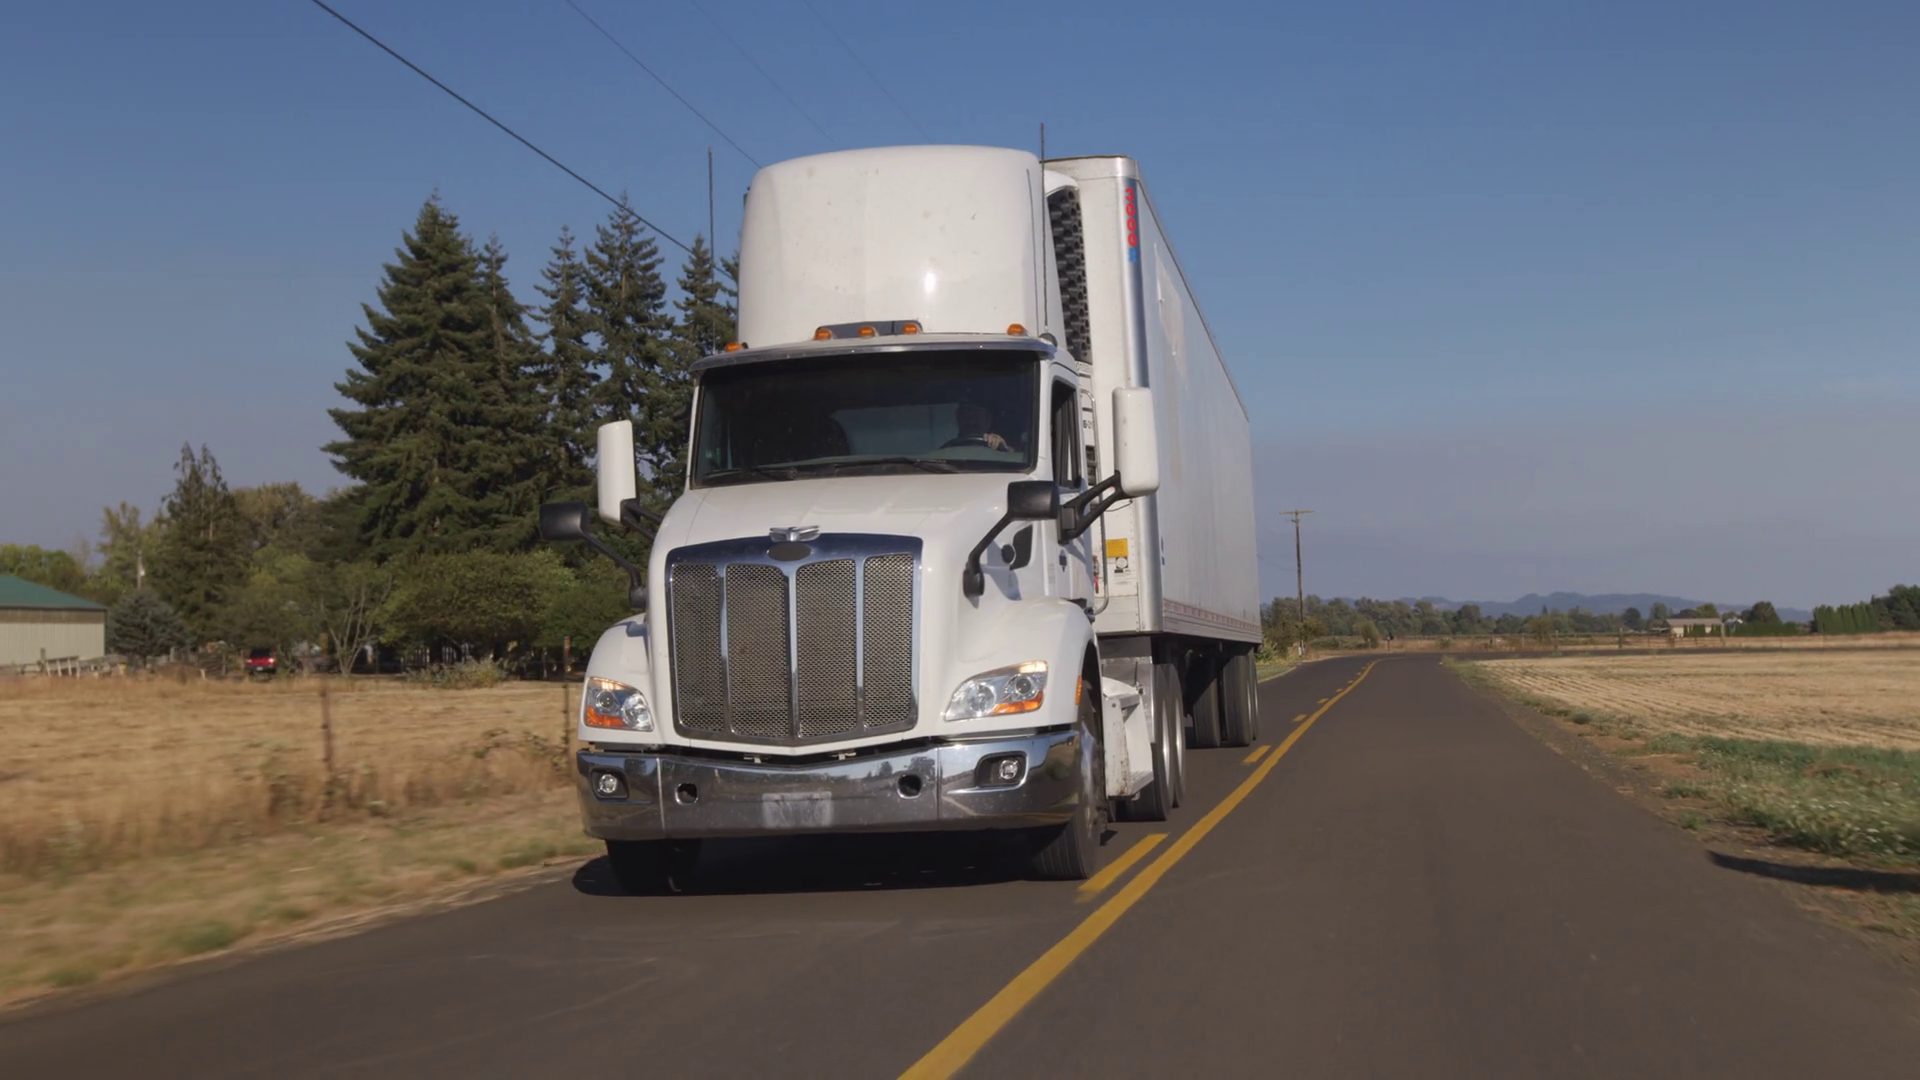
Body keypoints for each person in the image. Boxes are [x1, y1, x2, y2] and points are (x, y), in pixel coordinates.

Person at [944, 403, 1012, 451]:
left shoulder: (997, 448)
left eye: (977, 416)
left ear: (988, 420)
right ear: (958, 420)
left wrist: (1003, 447)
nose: (971, 422)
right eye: (965, 416)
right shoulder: (947, 451)